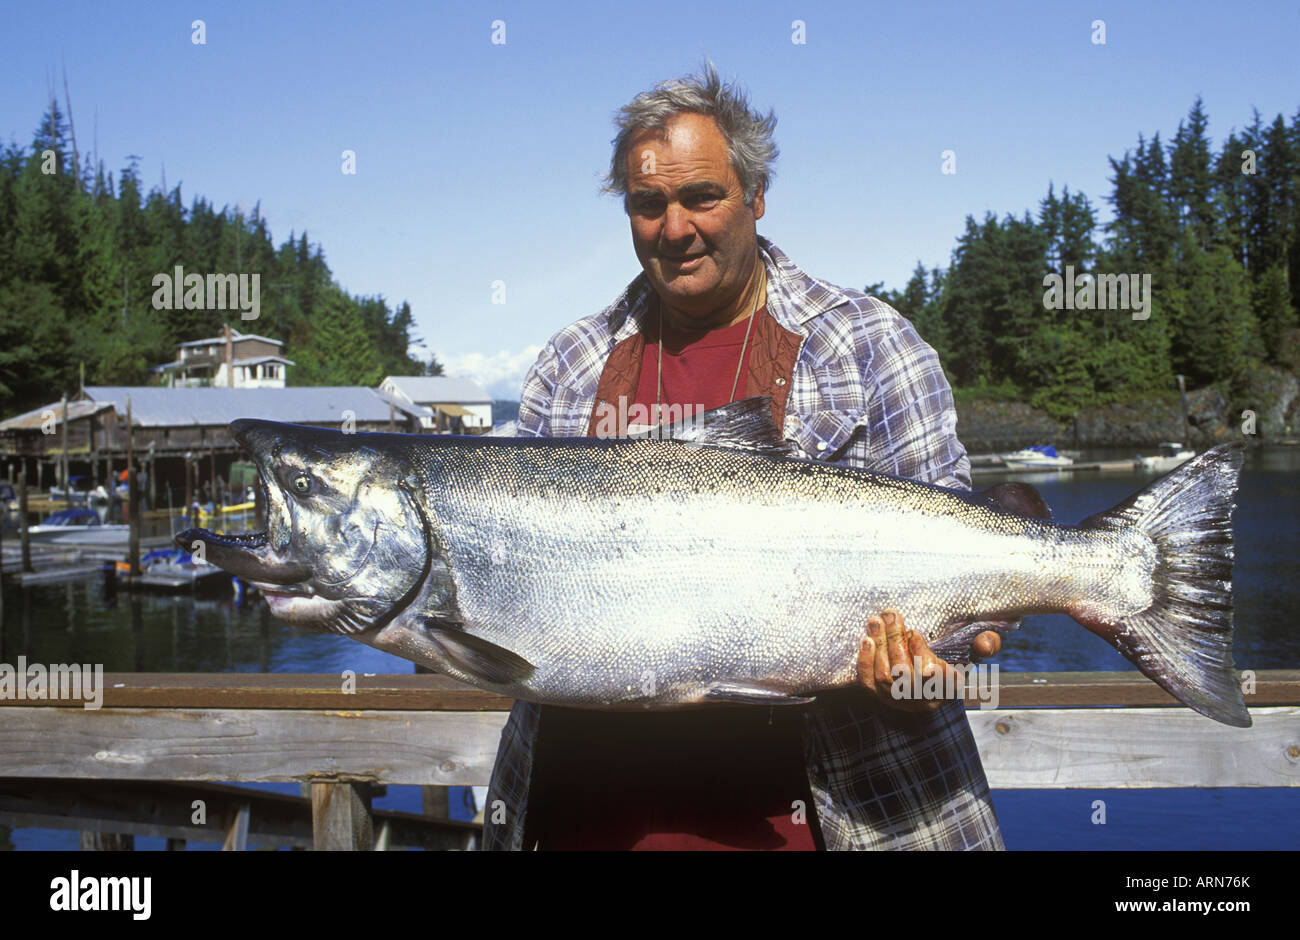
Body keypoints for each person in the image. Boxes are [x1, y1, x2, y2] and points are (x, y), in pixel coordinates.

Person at [484, 64, 1006, 851]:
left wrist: (923, 671)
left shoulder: (870, 344)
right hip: (579, 819)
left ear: (756, 197)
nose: (675, 226)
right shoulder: (569, 365)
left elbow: (956, 632)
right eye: (648, 204)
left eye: (703, 196)